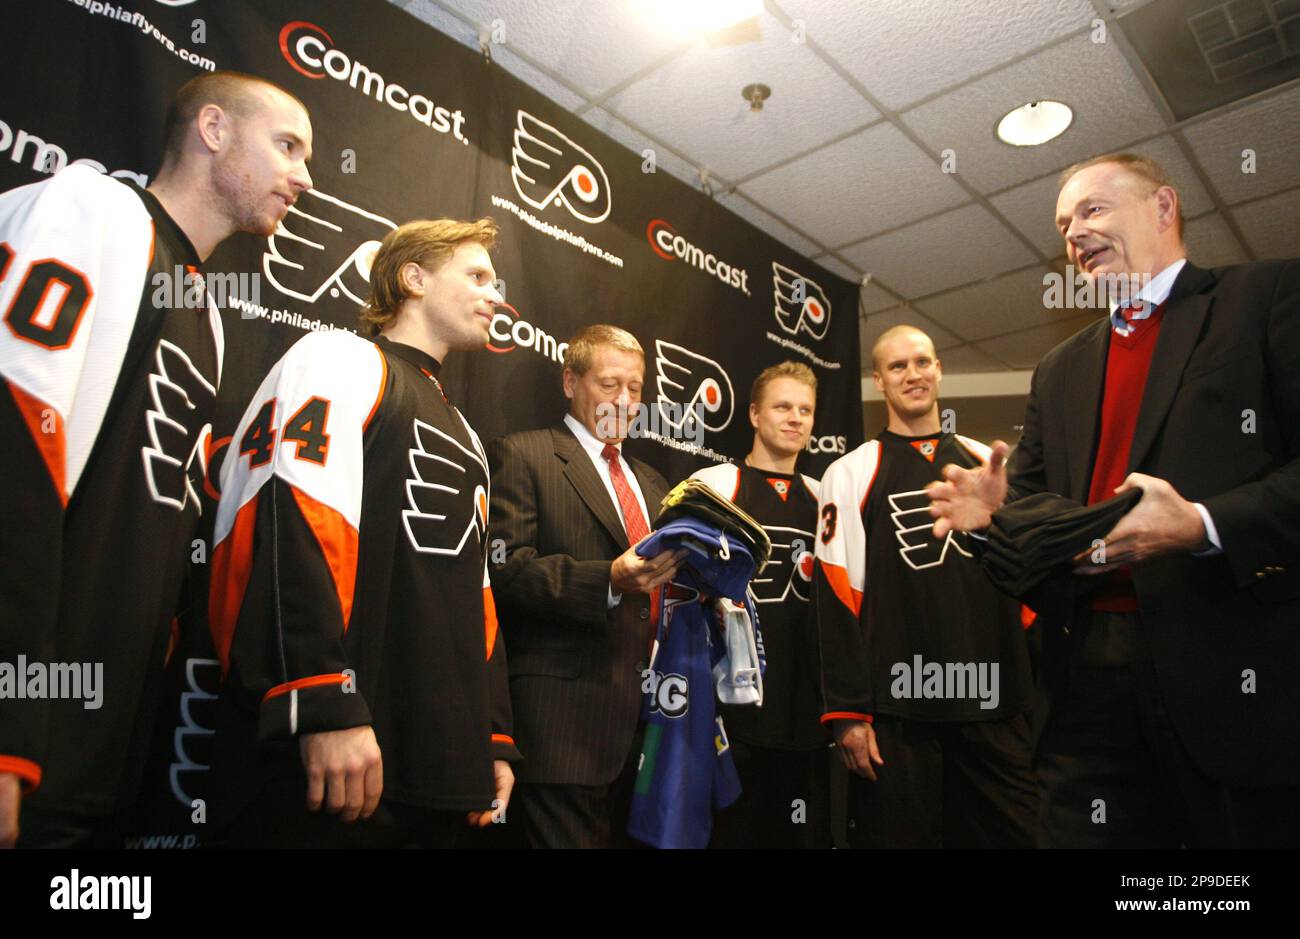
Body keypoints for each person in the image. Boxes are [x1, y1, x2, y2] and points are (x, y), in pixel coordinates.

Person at [927, 152, 1300, 847]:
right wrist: (991, 521)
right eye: (1064, 225)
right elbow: (1032, 528)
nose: (1074, 234)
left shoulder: (1265, 297)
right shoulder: (1059, 369)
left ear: (1164, 207)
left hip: (1228, 669)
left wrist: (1200, 524)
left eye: (1092, 210)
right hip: (1083, 682)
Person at [0, 71, 313, 848]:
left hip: (101, 755)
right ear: (212, 129)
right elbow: (13, 442)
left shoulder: (204, 313)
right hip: (25, 733)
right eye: (287, 146)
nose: (305, 177)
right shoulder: (91, 209)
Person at [204, 218, 518, 847]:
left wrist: (491, 735)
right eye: (477, 276)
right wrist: (319, 697)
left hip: (438, 772)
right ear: (414, 278)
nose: (497, 296)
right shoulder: (339, 358)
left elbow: (476, 595)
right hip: (339, 758)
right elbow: (287, 518)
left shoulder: (467, 432)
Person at [814, 326, 1037, 848]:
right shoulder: (848, 473)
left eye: (922, 362)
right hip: (900, 711)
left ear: (939, 370)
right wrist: (848, 714)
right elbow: (834, 593)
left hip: (993, 700)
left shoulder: (988, 462)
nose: (913, 374)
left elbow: (1026, 581)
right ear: (878, 380)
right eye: (898, 366)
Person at [487, 324, 685, 848]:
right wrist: (610, 578)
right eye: (609, 384)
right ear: (571, 382)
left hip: (649, 725)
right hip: (563, 728)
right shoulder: (523, 455)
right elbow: (507, 570)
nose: (625, 400)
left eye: (637, 388)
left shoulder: (655, 483)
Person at [690, 361, 830, 848]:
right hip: (733, 717)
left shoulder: (823, 498)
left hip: (807, 718)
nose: (795, 418)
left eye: (805, 410)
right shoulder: (717, 486)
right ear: (753, 413)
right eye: (782, 406)